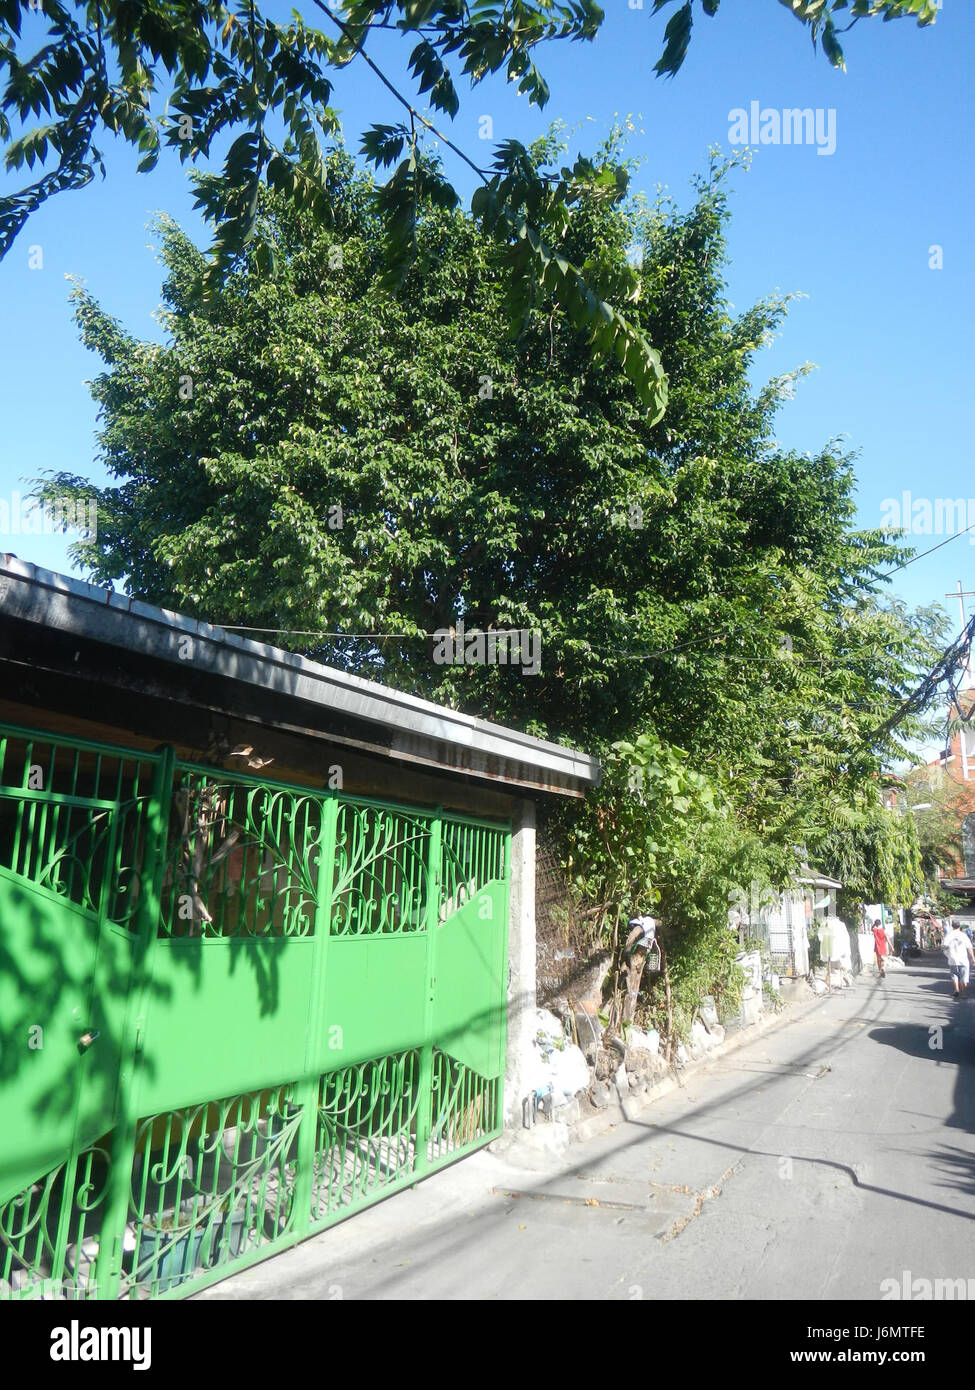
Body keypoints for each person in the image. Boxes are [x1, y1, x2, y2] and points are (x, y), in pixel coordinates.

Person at [944, 922, 975, 1000]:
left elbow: (945, 946)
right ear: (959, 926)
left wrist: (948, 954)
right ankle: (964, 993)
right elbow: (969, 947)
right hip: (963, 960)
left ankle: (956, 990)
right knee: (964, 977)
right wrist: (973, 958)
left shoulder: (949, 935)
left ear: (952, 926)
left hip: (952, 959)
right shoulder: (963, 935)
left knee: (954, 975)